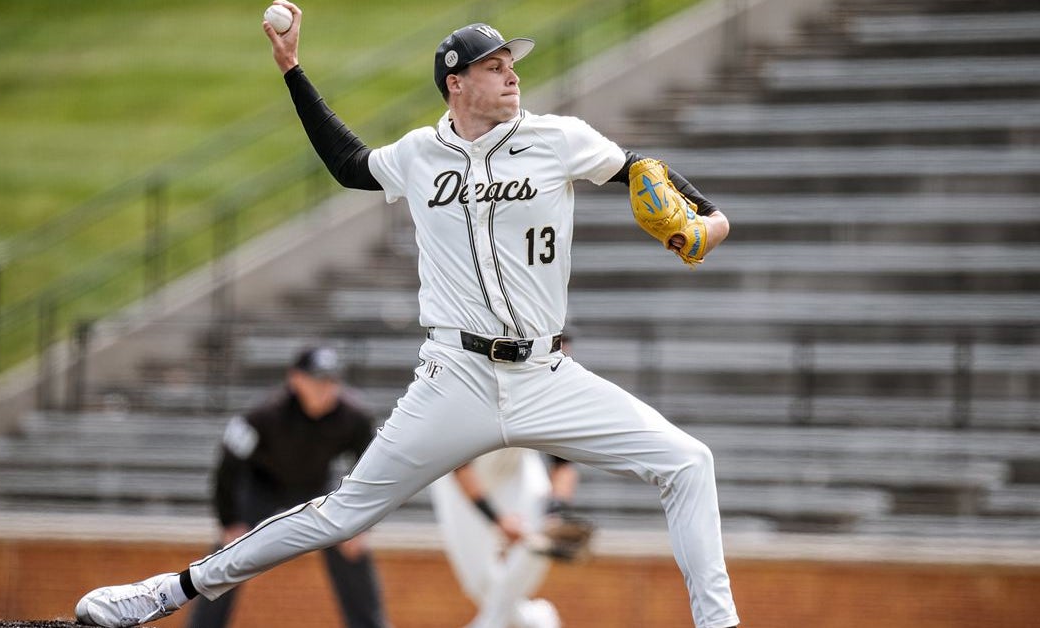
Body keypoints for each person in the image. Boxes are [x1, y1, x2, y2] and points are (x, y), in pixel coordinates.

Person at [75, 4, 739, 627]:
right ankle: (164, 592)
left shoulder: (559, 139)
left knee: (687, 463)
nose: (512, 75)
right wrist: (291, 69)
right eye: (495, 66)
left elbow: (664, 186)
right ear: (457, 83)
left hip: (547, 372)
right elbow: (346, 164)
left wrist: (708, 226)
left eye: (513, 64)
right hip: (456, 377)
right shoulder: (419, 154)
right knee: (340, 516)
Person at [186, 346, 389, 628]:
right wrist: (229, 522)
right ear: (296, 379)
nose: (325, 389)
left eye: (332, 382)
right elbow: (228, 466)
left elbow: (373, 470)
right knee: (229, 555)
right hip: (262, 488)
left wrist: (362, 527)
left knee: (351, 544)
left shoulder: (354, 417)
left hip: (317, 487)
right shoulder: (264, 416)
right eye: (317, 381)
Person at [432, 451, 579, 628]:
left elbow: (564, 463)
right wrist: (497, 519)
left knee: (539, 536)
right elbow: (460, 467)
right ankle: (536, 619)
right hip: (460, 480)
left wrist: (556, 512)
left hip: (515, 469)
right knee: (480, 582)